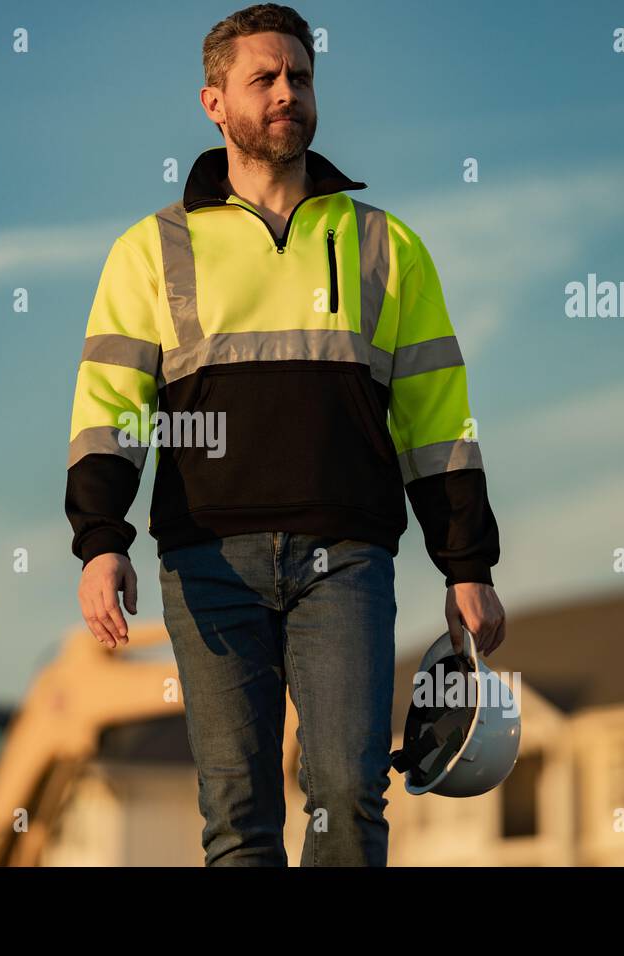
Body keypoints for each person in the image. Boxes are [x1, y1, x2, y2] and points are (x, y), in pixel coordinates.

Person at [64, 3, 505, 866]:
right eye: (262, 77)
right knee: (238, 815)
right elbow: (111, 404)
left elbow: (437, 414)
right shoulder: (152, 249)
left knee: (348, 795)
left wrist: (468, 565)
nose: (285, 92)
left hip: (345, 556)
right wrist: (98, 540)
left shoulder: (386, 246)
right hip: (206, 563)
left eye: (299, 76)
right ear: (213, 101)